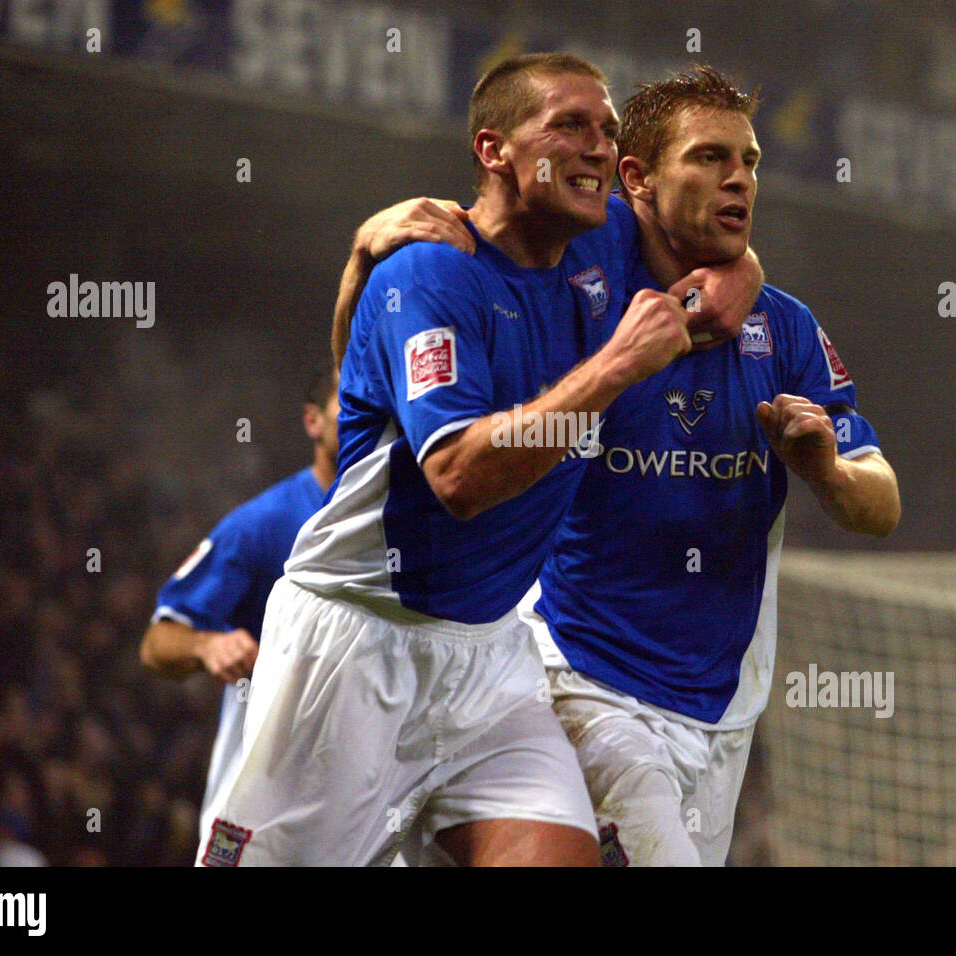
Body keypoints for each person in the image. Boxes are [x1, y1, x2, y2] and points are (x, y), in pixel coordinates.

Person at [197, 52, 762, 867]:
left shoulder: (598, 240)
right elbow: (460, 478)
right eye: (569, 126)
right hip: (357, 641)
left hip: (491, 653)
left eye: (606, 131)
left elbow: (710, 232)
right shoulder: (432, 271)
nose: (598, 148)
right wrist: (616, 366)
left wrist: (742, 269)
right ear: (495, 151)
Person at [345, 65, 901, 866]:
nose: (738, 178)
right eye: (709, 158)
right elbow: (494, 234)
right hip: (582, 670)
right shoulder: (577, 274)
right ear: (634, 180)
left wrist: (829, 473)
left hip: (723, 708)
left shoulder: (785, 331)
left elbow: (880, 505)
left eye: (748, 161)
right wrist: (374, 247)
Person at [140, 370, 339, 841]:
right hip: (261, 803)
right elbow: (156, 644)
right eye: (346, 399)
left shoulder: (404, 520)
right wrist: (208, 644)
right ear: (312, 422)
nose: (362, 410)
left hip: (365, 800)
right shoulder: (262, 525)